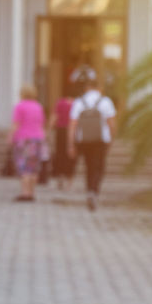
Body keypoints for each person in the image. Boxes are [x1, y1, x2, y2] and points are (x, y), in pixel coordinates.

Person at [68, 75, 117, 211]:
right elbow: (111, 123)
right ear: (99, 88)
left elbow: (72, 125)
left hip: (83, 139)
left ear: (87, 88)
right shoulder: (105, 101)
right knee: (98, 166)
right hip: (100, 139)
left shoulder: (79, 102)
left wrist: (71, 143)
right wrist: (112, 138)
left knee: (89, 165)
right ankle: (94, 191)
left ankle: (89, 190)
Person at [8, 85, 46, 201]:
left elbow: (16, 124)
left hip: (24, 140)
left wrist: (10, 136)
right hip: (38, 139)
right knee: (34, 167)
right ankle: (32, 193)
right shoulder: (38, 106)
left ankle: (25, 193)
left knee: (24, 166)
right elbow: (42, 123)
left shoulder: (19, 106)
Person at [49, 87, 76, 190]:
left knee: (60, 154)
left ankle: (60, 178)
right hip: (73, 131)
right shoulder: (76, 103)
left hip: (61, 131)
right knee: (71, 155)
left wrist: (49, 130)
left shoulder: (60, 103)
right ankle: (70, 181)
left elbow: (54, 117)